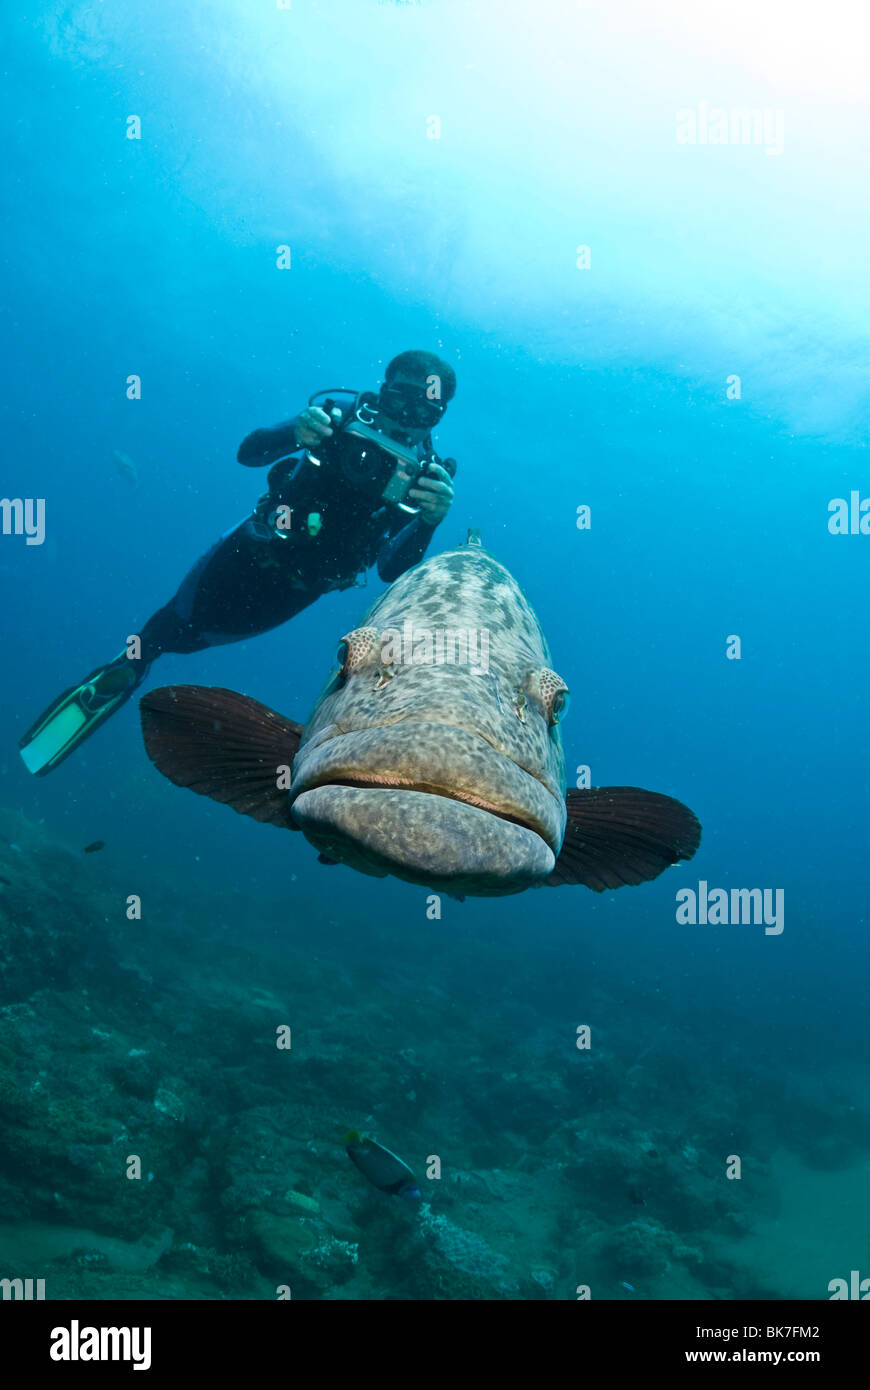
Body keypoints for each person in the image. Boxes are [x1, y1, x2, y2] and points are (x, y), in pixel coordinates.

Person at [20, 349, 457, 775]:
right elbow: (250, 452)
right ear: (382, 390)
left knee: (183, 634)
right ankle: (135, 663)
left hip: (288, 582)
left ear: (438, 417)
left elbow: (390, 572)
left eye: (426, 408)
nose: (407, 413)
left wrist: (429, 522)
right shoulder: (337, 417)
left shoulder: (426, 476)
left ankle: (132, 664)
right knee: (175, 627)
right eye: (401, 396)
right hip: (262, 556)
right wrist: (296, 434)